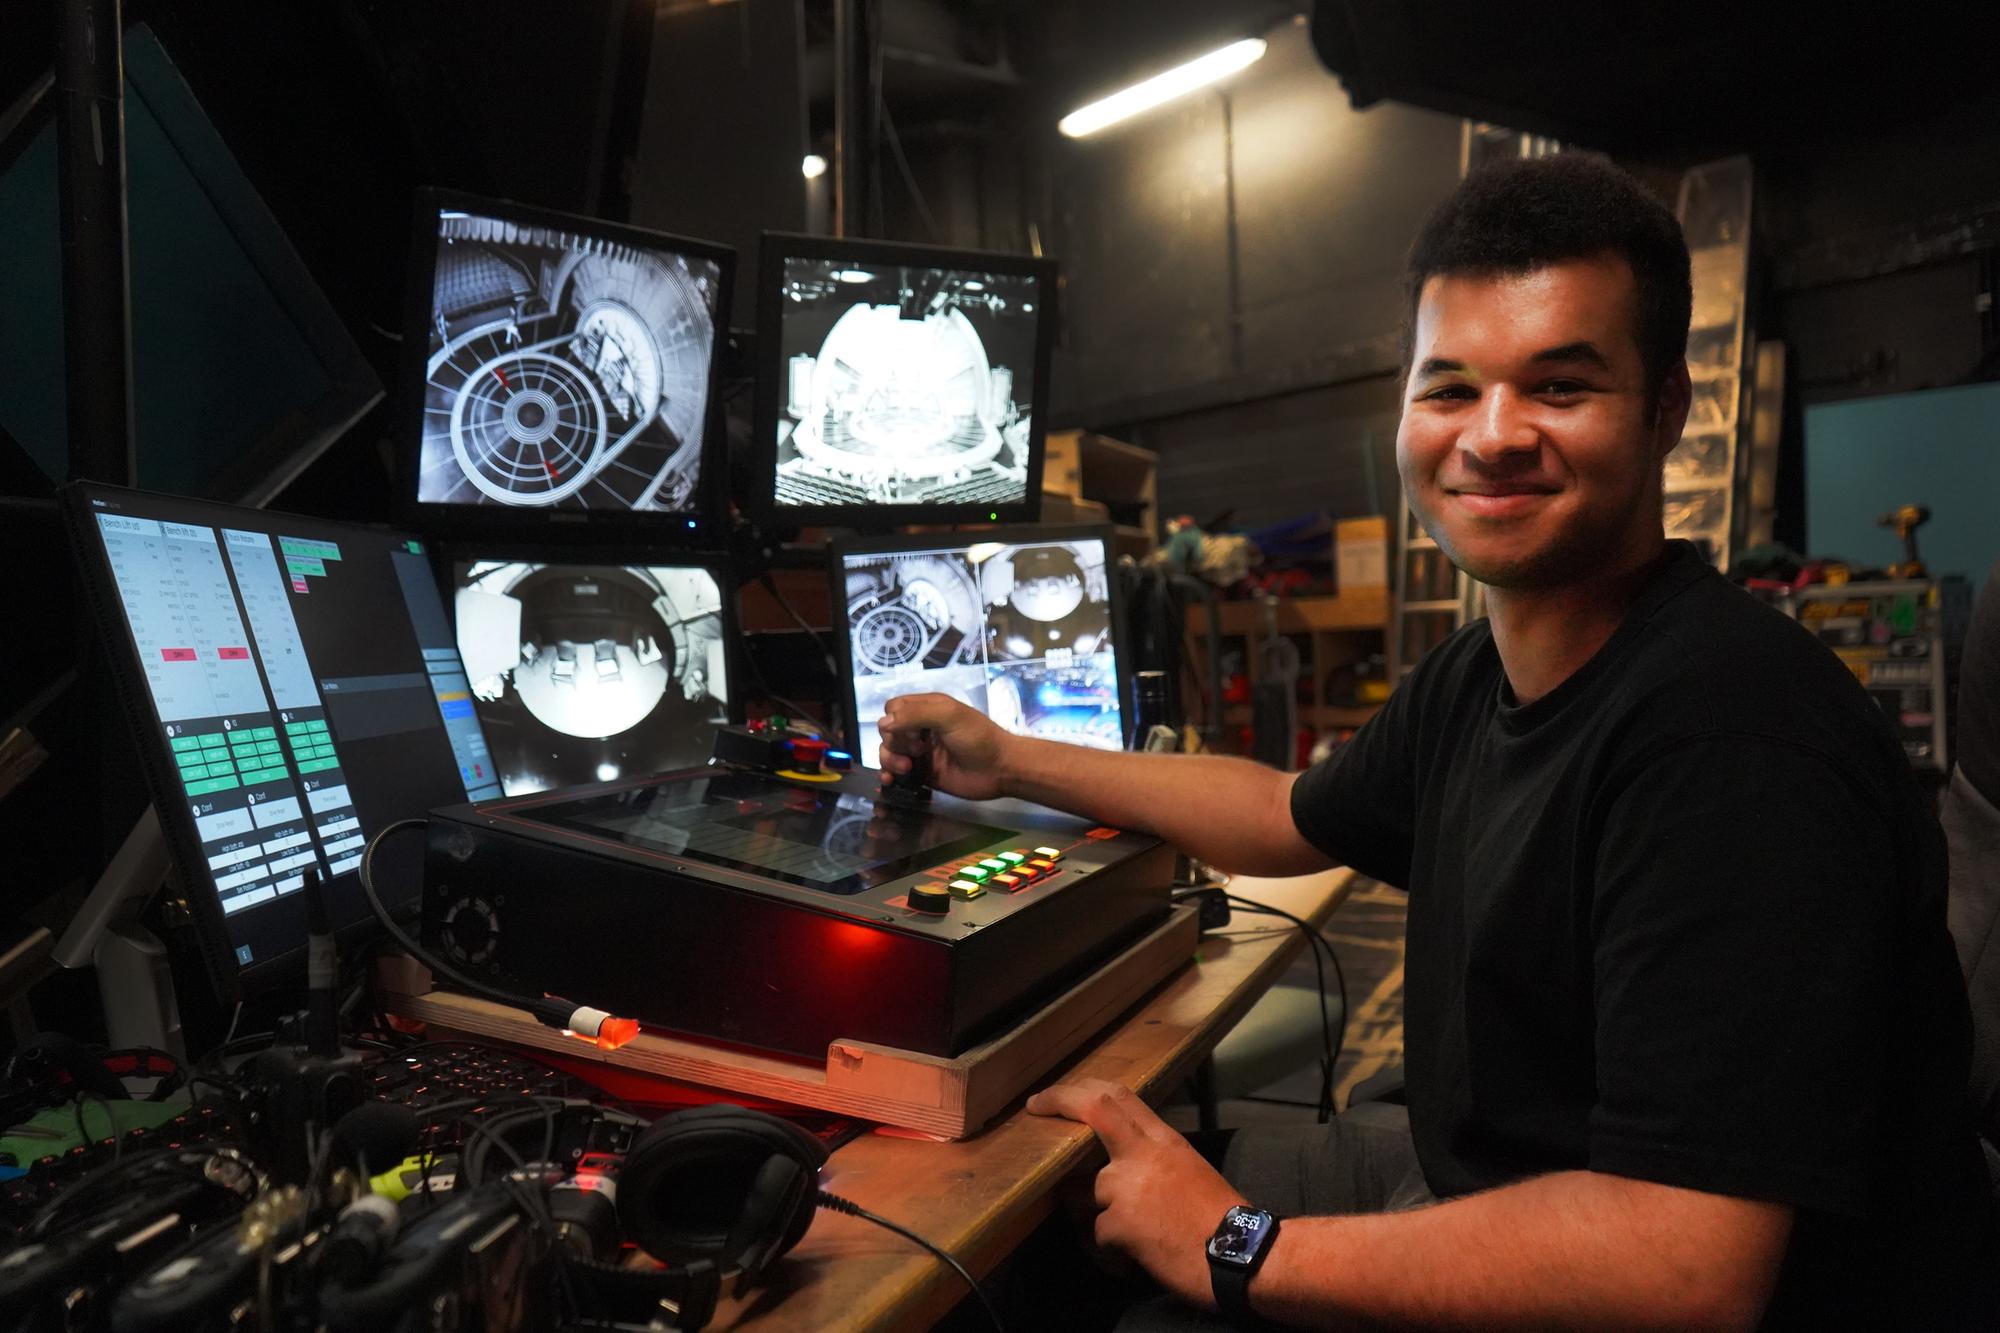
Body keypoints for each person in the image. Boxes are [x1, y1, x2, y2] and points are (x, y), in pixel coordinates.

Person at [877, 153, 1996, 1330]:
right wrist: (1004, 755)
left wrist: (1233, 1242)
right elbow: (1280, 815)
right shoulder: (1485, 673)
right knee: (1047, 1217)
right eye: (1449, 387)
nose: (1493, 435)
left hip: (1651, 1271)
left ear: (1663, 409)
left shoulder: (1730, 745)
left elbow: (1684, 1267)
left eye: (1558, 386)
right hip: (1501, 1187)